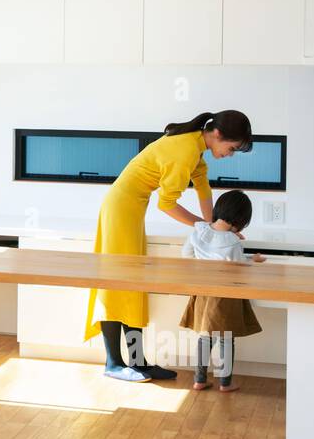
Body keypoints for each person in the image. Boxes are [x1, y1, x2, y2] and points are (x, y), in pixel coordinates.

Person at [85, 110, 254, 382]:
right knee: (118, 284)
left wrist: (217, 229)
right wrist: (205, 227)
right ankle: (114, 363)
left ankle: (137, 362)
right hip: (120, 210)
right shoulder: (185, 150)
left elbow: (203, 188)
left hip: (130, 209)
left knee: (133, 286)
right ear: (218, 135)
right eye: (232, 148)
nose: (231, 154)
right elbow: (166, 203)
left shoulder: (195, 146)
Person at [179, 189, 265, 392]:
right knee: (226, 339)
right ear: (240, 220)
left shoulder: (198, 232)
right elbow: (237, 268)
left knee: (205, 336)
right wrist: (253, 260)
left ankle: (199, 380)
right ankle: (225, 383)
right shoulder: (233, 241)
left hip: (203, 293)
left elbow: (186, 255)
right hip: (226, 296)